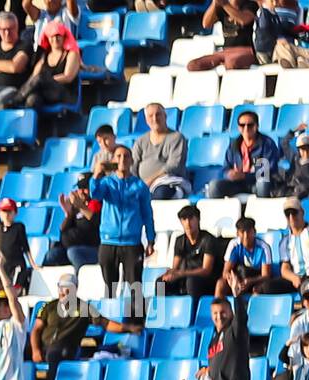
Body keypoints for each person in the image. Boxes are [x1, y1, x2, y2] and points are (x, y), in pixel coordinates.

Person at [91, 145, 155, 300]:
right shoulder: (107, 183)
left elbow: (147, 214)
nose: (122, 159)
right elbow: (95, 194)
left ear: (132, 160)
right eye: (118, 156)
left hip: (131, 243)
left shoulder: (140, 186)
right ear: (113, 160)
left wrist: (151, 239)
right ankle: (111, 321)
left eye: (126, 156)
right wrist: (96, 175)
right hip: (108, 241)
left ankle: (137, 322)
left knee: (135, 287)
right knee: (110, 288)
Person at [208, 109, 280, 200]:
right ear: (238, 127)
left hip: (257, 184)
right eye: (242, 125)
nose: (246, 128)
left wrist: (244, 176)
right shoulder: (234, 145)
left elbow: (268, 171)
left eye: (250, 125)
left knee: (263, 183)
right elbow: (225, 168)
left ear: (257, 126)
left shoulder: (267, 144)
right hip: (237, 184)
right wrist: (230, 174)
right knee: (214, 186)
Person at [159, 205, 220, 299]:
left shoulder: (208, 239)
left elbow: (206, 270)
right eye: (184, 219)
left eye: (191, 218)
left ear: (198, 219)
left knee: (191, 281)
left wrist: (182, 273)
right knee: (160, 282)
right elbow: (175, 267)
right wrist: (170, 273)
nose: (188, 223)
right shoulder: (180, 240)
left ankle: (192, 312)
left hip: (206, 280)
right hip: (186, 276)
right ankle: (161, 312)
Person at [132, 103, 189, 201]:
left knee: (161, 193)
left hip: (168, 182)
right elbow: (133, 166)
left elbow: (174, 166)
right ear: (146, 120)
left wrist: (150, 181)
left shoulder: (176, 138)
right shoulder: (140, 141)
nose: (154, 119)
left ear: (165, 116)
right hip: (143, 185)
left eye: (158, 114)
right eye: (150, 116)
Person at [218, 216, 276, 297]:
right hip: (240, 278)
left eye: (249, 232)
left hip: (256, 280)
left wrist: (250, 281)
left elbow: (266, 275)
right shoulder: (234, 245)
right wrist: (233, 279)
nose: (246, 236)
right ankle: (219, 307)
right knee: (220, 284)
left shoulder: (263, 247)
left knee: (258, 289)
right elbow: (225, 272)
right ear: (237, 233)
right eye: (242, 232)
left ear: (254, 232)